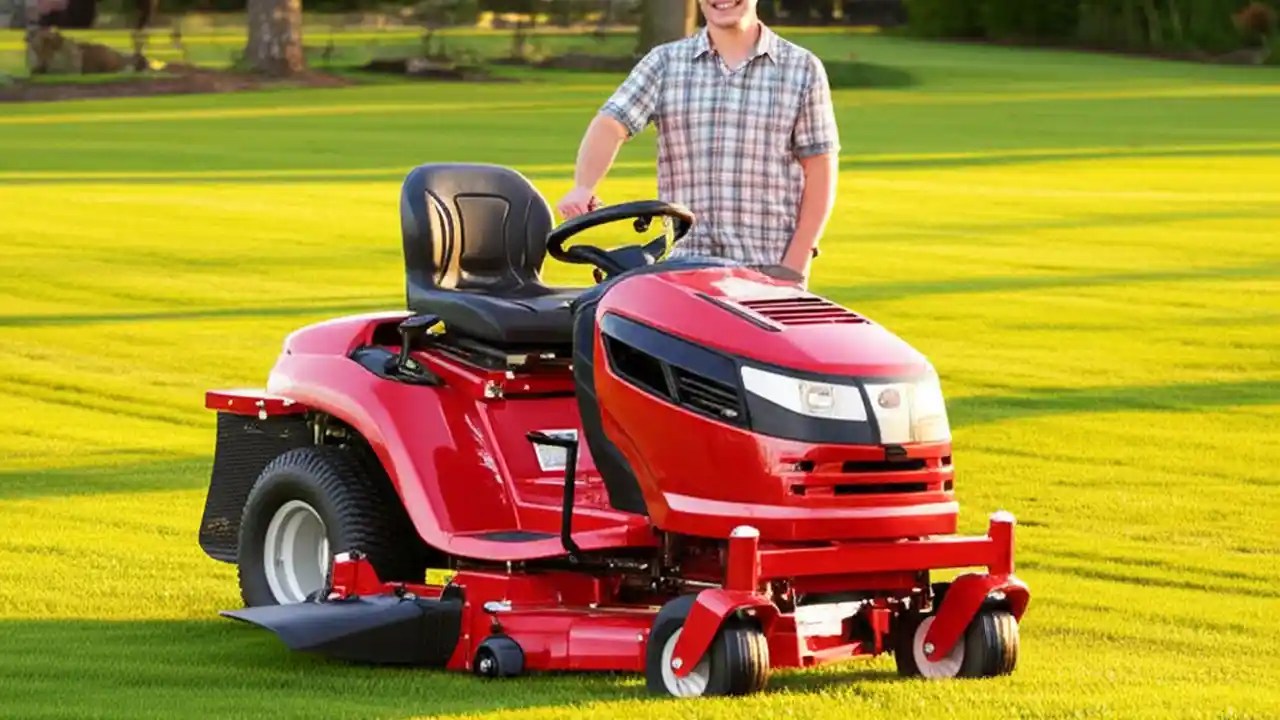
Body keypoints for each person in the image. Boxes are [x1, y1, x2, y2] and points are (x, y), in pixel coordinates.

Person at [556, 0, 841, 286]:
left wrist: (795, 263)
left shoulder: (802, 68)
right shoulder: (665, 63)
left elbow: (820, 167)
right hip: (685, 269)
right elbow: (611, 123)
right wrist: (584, 186)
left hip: (768, 269)